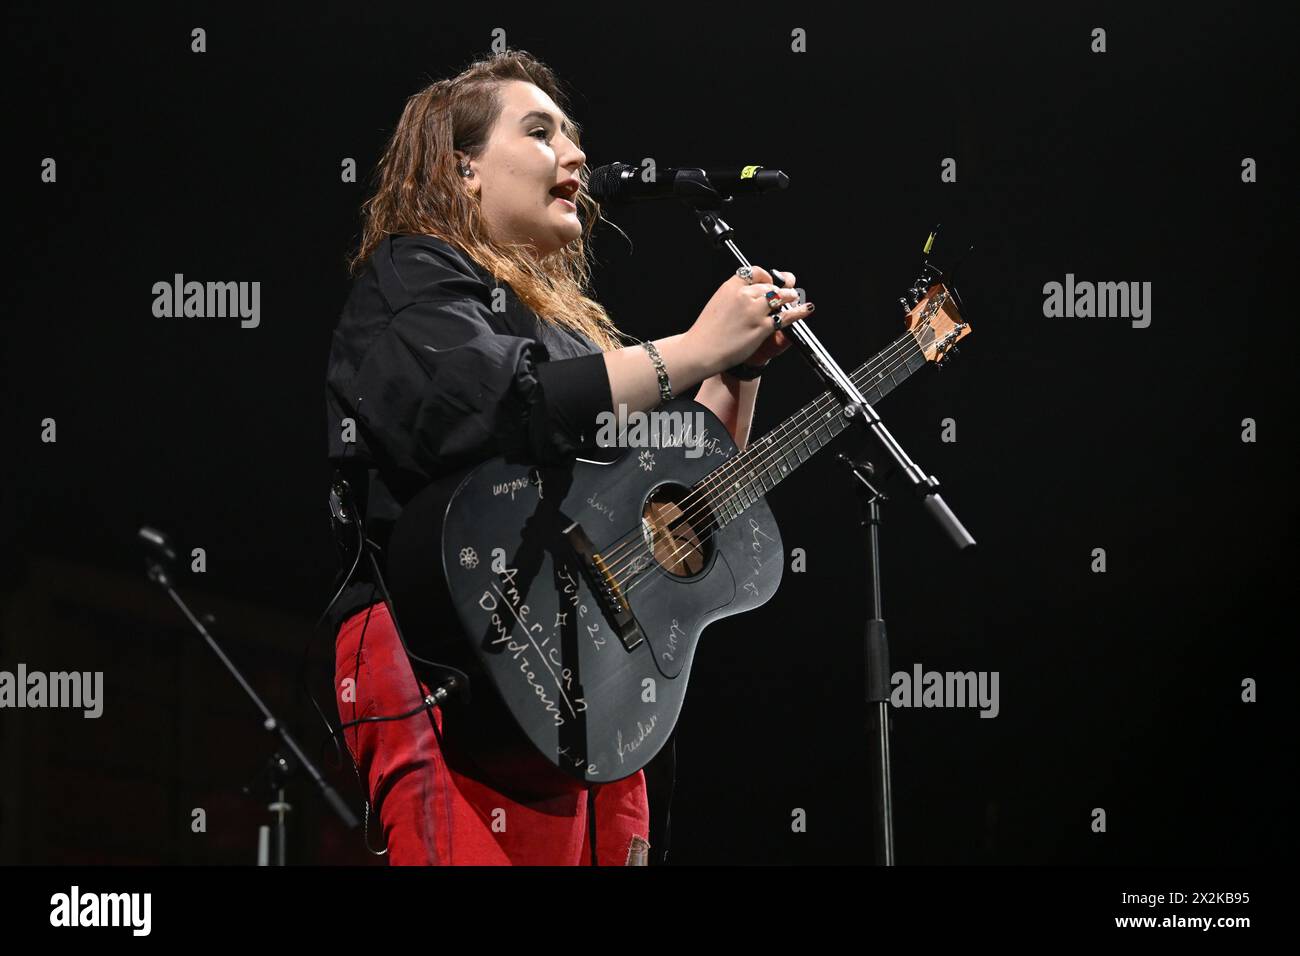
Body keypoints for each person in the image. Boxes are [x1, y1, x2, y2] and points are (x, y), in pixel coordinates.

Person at [324, 49, 815, 866]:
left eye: (574, 135)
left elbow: (686, 496)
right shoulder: (411, 277)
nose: (576, 155)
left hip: (590, 672)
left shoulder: (571, 334)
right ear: (465, 170)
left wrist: (736, 370)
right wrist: (693, 347)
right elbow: (502, 404)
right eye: (541, 131)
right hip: (453, 651)